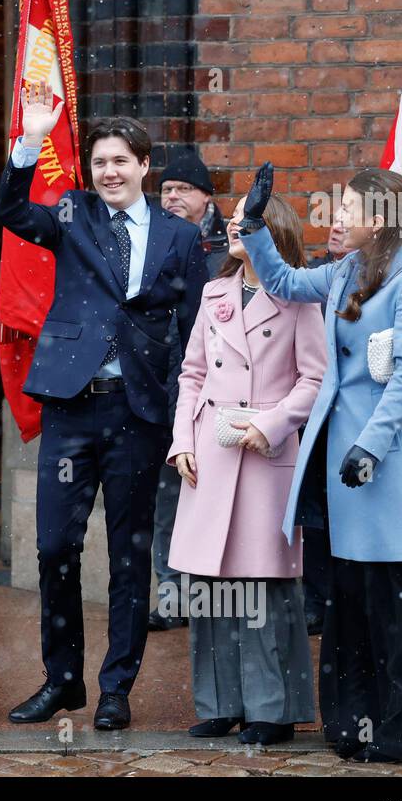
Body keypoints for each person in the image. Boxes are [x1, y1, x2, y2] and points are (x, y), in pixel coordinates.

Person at [0, 80, 209, 730]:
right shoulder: (71, 213)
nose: (109, 170)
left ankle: (116, 687)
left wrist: (186, 413)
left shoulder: (179, 236)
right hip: (70, 406)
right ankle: (62, 681)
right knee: (55, 546)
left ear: (145, 166)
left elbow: (196, 327)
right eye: (101, 160)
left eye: (122, 160)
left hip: (137, 413)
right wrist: (31, 139)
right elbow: (8, 208)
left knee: (127, 554)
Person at [238, 163, 402, 763]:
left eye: (349, 209)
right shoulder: (348, 270)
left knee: (391, 596)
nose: (338, 217)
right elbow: (281, 281)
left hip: (378, 459)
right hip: (334, 451)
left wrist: (370, 449)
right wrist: (253, 223)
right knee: (349, 597)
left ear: (381, 217)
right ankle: (354, 721)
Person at [168, 192, 326, 745]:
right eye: (233, 219)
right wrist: (180, 440)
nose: (234, 227)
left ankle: (271, 709)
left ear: (271, 228)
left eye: (246, 220)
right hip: (211, 451)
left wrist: (275, 424)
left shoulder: (301, 298)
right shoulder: (215, 293)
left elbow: (314, 379)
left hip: (265, 455)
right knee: (209, 584)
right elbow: (191, 375)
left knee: (263, 587)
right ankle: (219, 703)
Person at [149, 149, 229, 631]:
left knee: (214, 492)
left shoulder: (231, 247)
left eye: (182, 190)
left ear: (206, 196)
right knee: (166, 498)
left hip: (221, 394)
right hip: (166, 387)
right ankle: (169, 597)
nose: (172, 197)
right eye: (166, 191)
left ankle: (212, 592)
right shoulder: (154, 242)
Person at [297, 218, 348, 635]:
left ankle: (349, 600)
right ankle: (316, 599)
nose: (336, 227)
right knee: (313, 510)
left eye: (347, 220)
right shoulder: (315, 277)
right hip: (312, 412)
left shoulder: (383, 282)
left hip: (354, 412)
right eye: (334, 220)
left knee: (348, 509)